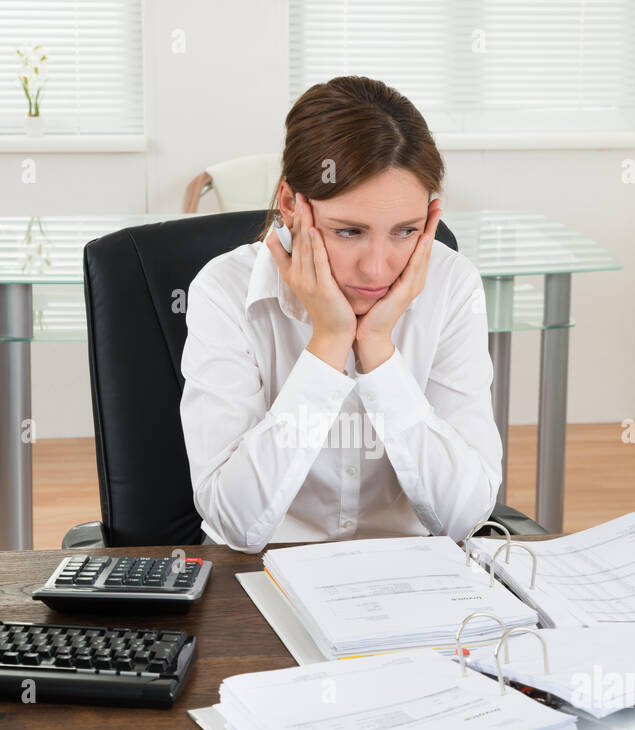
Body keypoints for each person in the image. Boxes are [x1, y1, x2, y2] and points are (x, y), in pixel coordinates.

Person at [180, 75, 501, 553]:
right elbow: (237, 524)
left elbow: (463, 516)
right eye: (349, 231)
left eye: (406, 230)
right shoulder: (224, 290)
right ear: (291, 205)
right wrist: (328, 342)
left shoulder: (452, 286)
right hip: (257, 577)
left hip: (412, 580)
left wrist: (378, 351)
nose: (377, 267)